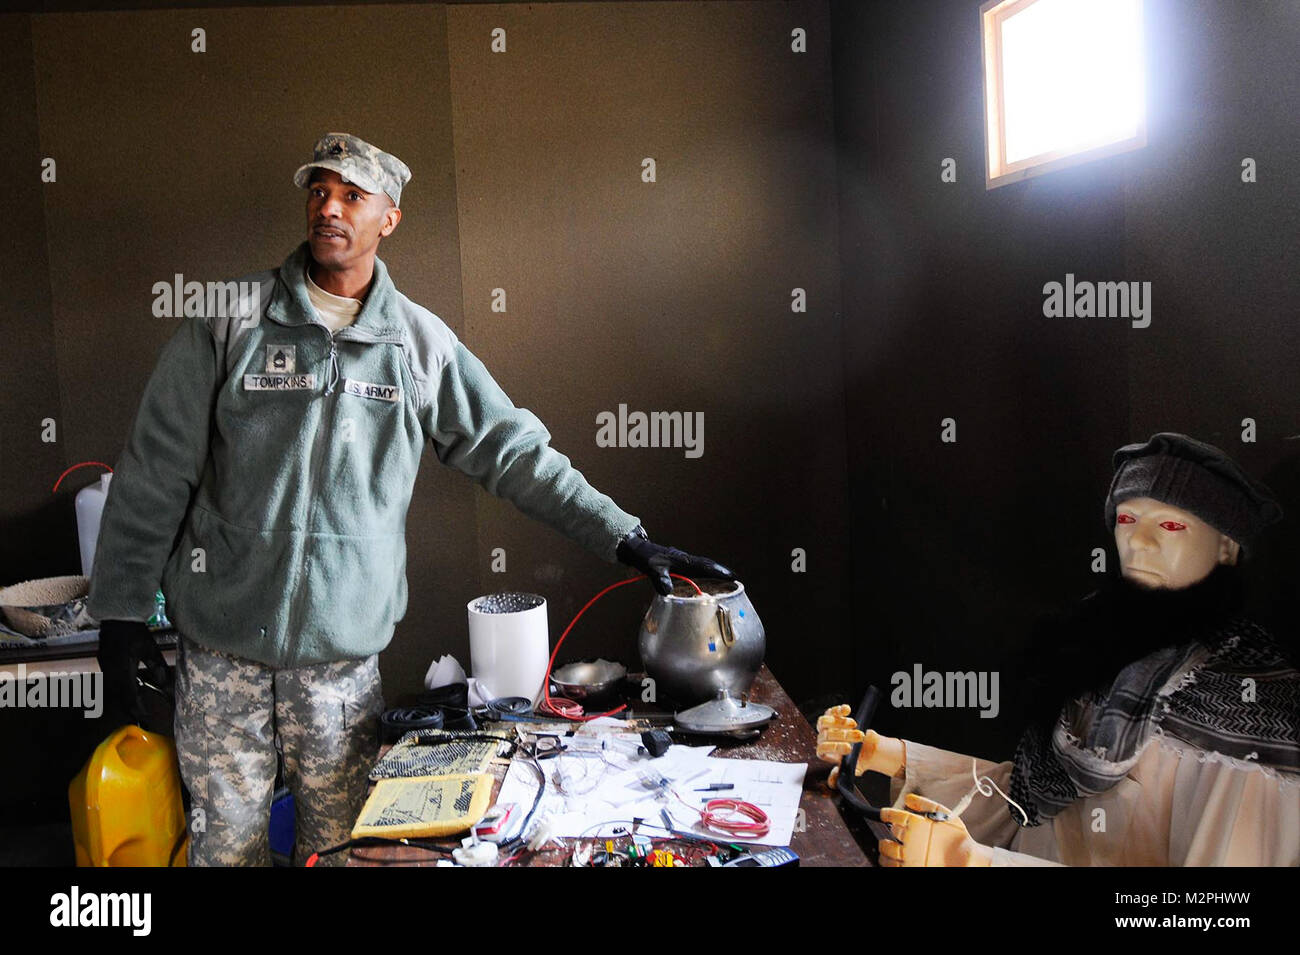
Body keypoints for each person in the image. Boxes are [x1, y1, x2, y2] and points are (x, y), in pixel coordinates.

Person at [87, 132, 732, 866]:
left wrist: (624, 535)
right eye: (319, 191)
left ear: (388, 219)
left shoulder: (418, 347)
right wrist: (121, 613)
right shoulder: (229, 323)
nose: (329, 207)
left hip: (338, 669)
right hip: (219, 656)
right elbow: (152, 473)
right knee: (225, 850)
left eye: (352, 196)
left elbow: (513, 452)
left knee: (340, 854)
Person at [818, 433, 1299, 866]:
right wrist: (889, 754)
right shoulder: (1108, 653)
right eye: (1128, 519)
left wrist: (973, 863)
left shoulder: (1251, 719)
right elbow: (1033, 809)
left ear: (1227, 549)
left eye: (1171, 526)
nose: (1140, 542)